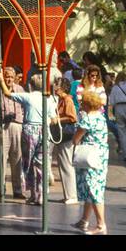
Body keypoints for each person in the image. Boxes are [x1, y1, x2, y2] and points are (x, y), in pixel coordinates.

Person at [13, 72, 59, 205]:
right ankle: (40, 195)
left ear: (30, 85)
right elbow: (54, 120)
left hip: (30, 130)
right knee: (40, 164)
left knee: (27, 163)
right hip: (43, 130)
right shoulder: (49, 99)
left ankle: (32, 192)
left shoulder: (28, 97)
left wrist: (1, 80)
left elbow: (7, 94)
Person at [73, 86, 109, 234]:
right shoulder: (101, 117)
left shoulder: (87, 119)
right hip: (101, 155)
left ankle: (101, 224)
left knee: (94, 190)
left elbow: (76, 139)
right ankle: (84, 220)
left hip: (89, 156)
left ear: (87, 104)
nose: (81, 105)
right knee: (92, 187)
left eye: (83, 103)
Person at [0, 64, 25, 198]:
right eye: (6, 77)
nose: (9, 79)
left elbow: (24, 108)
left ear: (15, 78)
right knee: (1, 160)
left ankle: (18, 190)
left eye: (11, 77)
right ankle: (0, 190)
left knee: (17, 159)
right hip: (1, 126)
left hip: (17, 126)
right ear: (2, 77)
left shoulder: (20, 89)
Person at [53, 76, 78, 204]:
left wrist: (58, 119)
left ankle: (72, 195)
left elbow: (72, 117)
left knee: (67, 164)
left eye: (56, 85)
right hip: (62, 135)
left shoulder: (67, 100)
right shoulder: (60, 100)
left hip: (66, 135)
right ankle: (68, 194)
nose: (54, 87)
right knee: (63, 164)